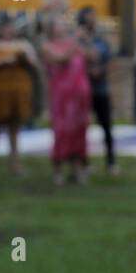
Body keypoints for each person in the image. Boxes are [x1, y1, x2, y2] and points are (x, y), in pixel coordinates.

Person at [0, 14, 39, 180]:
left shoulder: (23, 45)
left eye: (12, 27)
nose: (9, 31)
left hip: (18, 89)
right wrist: (6, 60)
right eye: (6, 27)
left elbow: (34, 62)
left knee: (15, 127)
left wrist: (22, 60)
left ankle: (15, 162)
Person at [41, 18, 92, 185]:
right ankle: (58, 170)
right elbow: (62, 58)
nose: (62, 28)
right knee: (62, 131)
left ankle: (77, 168)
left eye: (64, 25)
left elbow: (90, 57)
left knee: (79, 131)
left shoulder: (74, 44)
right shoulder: (47, 46)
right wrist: (76, 39)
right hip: (61, 97)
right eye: (59, 24)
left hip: (78, 97)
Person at [77, 6, 118, 174]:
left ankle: (111, 162)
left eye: (93, 17)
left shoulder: (102, 40)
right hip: (83, 89)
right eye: (88, 18)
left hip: (101, 89)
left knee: (106, 126)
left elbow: (110, 59)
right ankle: (83, 163)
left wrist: (101, 70)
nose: (92, 21)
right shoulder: (78, 40)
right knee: (82, 127)